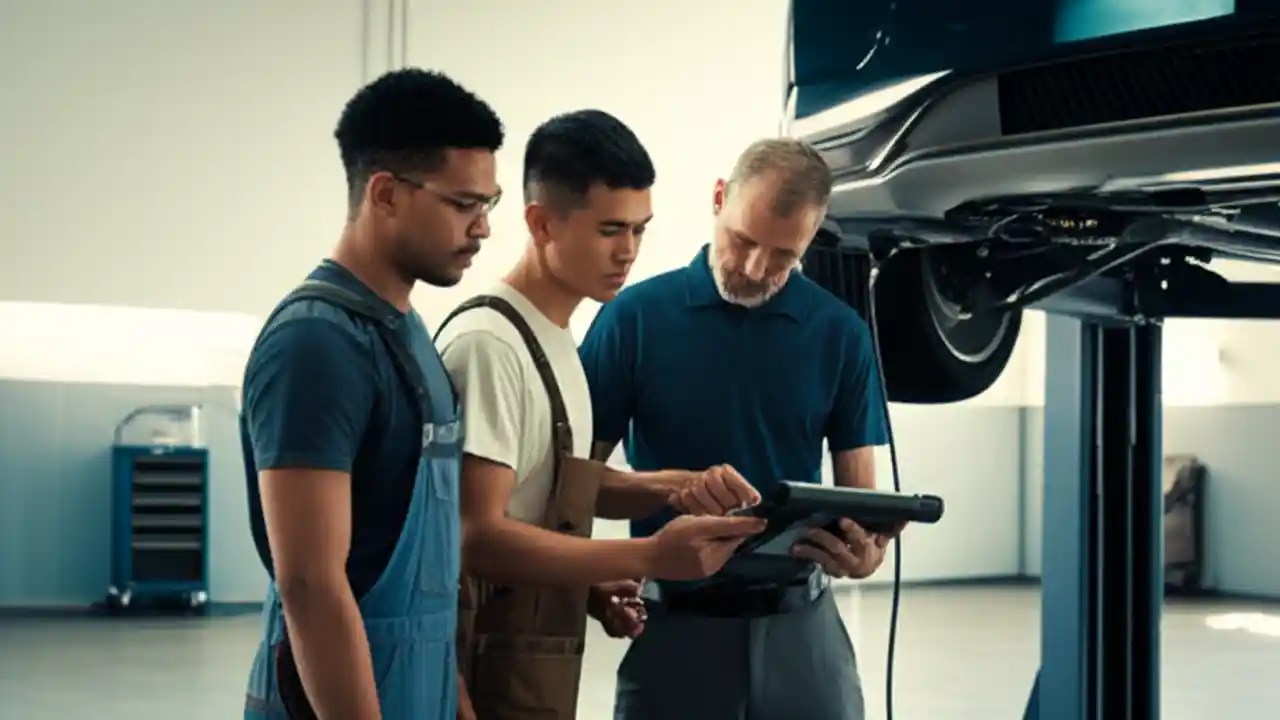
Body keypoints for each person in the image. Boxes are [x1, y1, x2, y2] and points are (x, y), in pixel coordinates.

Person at [435, 109, 767, 720]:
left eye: (641, 229)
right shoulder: (489, 347)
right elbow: (476, 535)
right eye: (611, 229)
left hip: (535, 665)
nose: (630, 251)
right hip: (481, 673)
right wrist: (645, 557)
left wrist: (671, 490)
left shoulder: (560, 340)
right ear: (540, 223)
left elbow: (543, 488)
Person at [579, 137, 899, 720]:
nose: (755, 269)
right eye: (744, 241)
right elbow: (573, 483)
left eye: (783, 255)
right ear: (719, 198)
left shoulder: (842, 334)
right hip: (673, 627)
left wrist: (865, 554)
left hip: (805, 632)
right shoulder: (632, 319)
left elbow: (863, 504)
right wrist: (592, 575)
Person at [238, 68, 504, 720]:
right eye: (464, 204)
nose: (483, 229)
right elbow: (310, 584)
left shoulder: (407, 331)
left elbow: (427, 587)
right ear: (385, 193)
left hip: (419, 690)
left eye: (487, 205)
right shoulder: (317, 345)